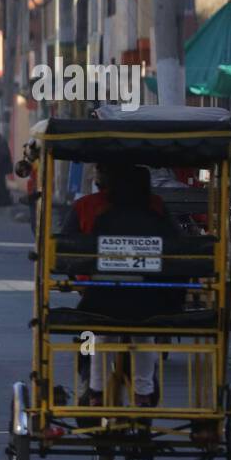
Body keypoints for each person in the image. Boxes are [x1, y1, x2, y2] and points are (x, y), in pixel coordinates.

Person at [76, 165, 183, 408]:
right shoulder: (156, 217)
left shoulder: (104, 217)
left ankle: (96, 391)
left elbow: (85, 257)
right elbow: (178, 252)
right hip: (149, 302)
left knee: (97, 333)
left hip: (103, 301)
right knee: (143, 333)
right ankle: (143, 393)